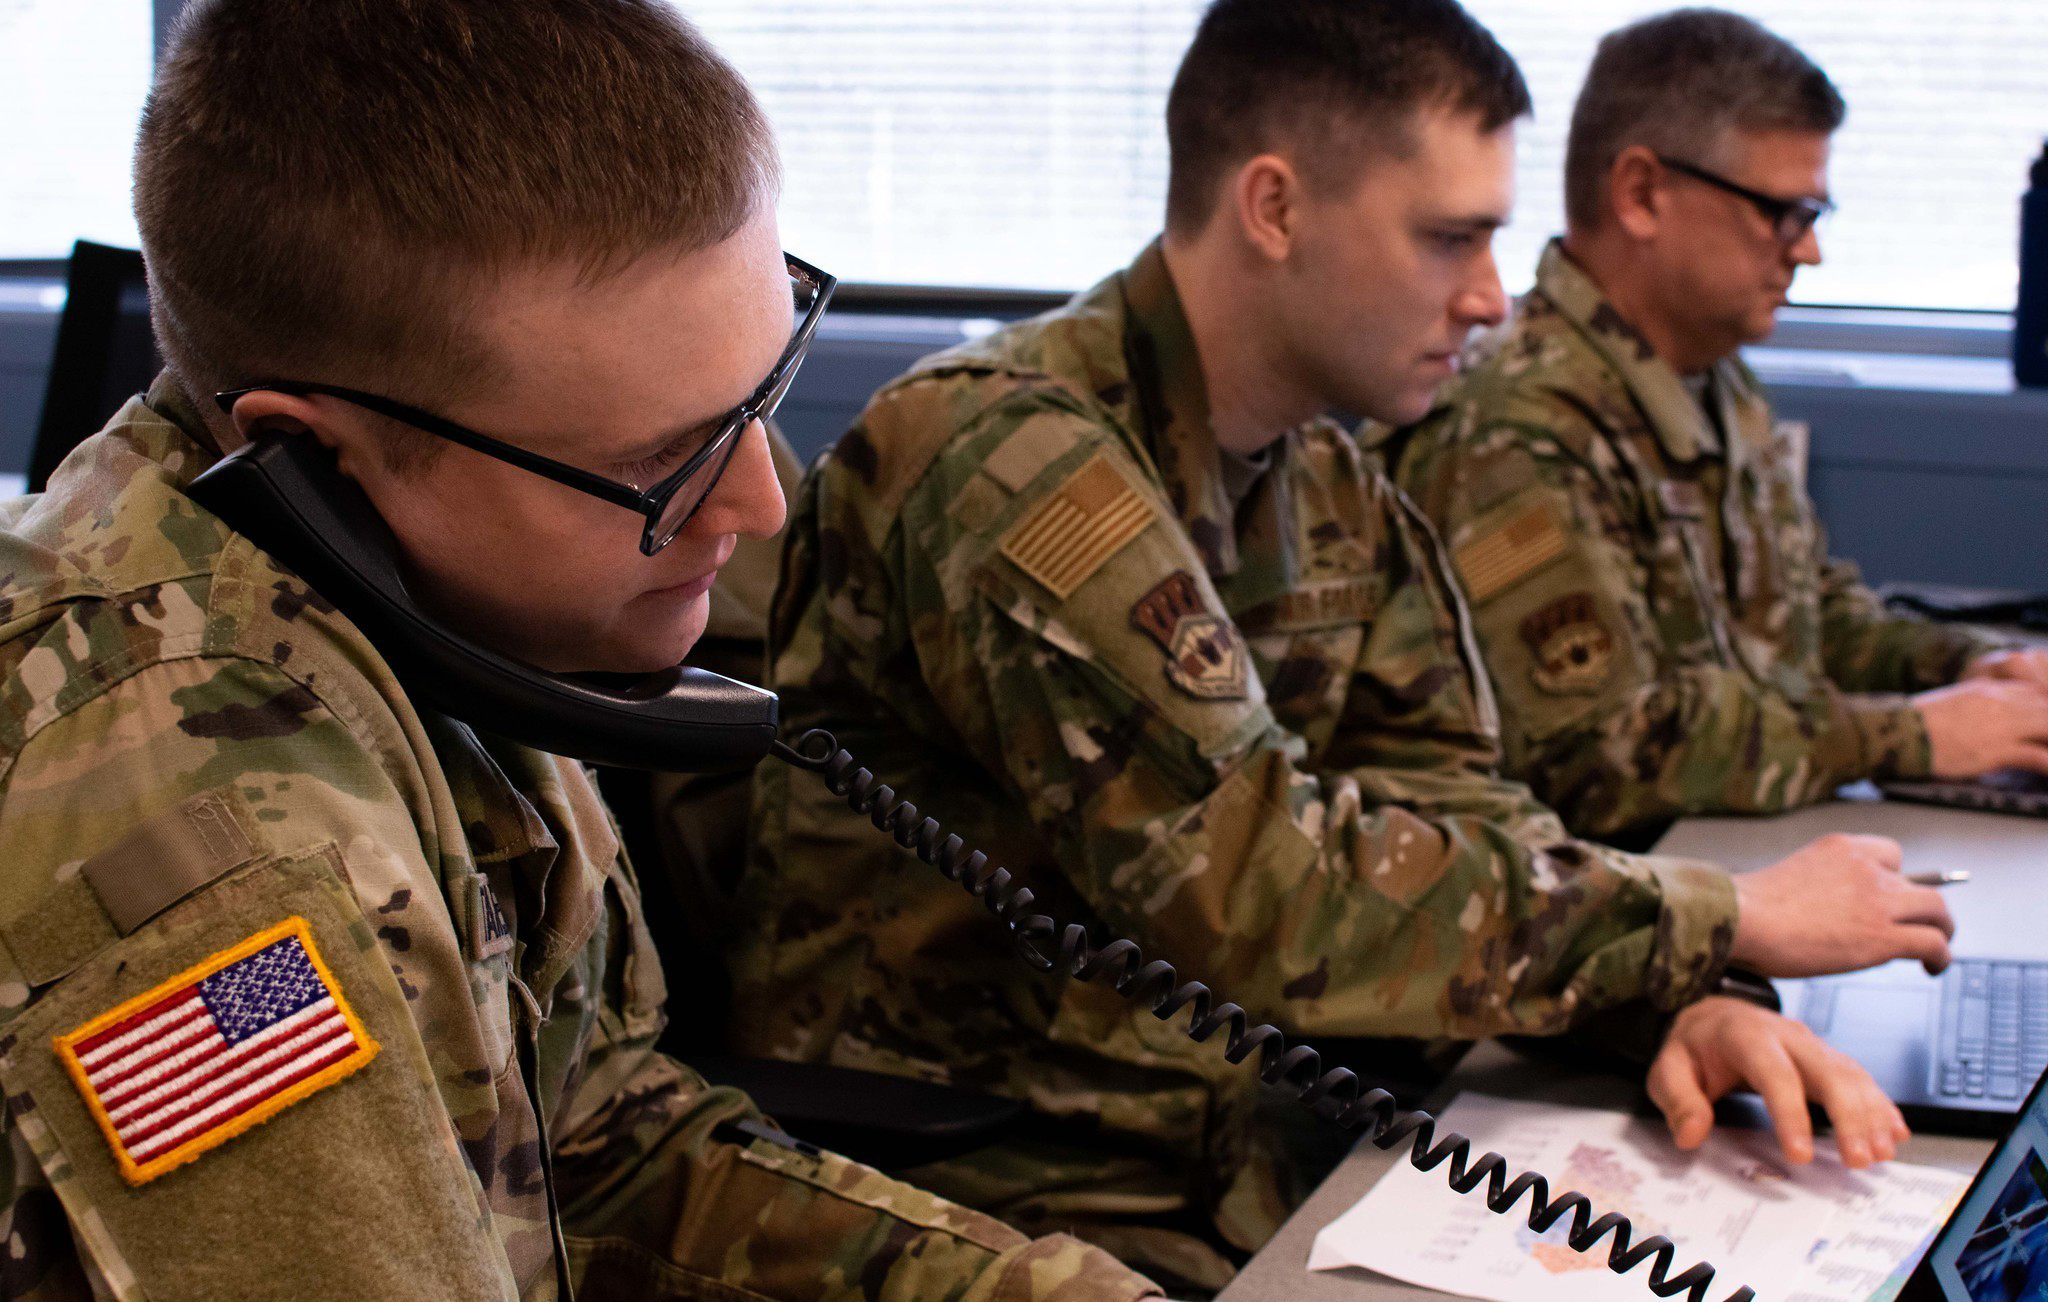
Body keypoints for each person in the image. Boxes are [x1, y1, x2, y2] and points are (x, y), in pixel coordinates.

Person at [730, 0, 1953, 1289]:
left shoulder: (1322, 474)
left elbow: (1454, 804)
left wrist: (1674, 1008)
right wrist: (1725, 916)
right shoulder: (1010, 461)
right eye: (1448, 238)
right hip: (1018, 1195)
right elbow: (1264, 889)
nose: (1490, 297)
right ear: (1273, 209)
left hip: (1262, 1138)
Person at [0, 2, 1162, 1298]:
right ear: (319, 458)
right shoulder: (196, 828)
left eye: (760, 397)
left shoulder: (437, 608)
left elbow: (591, 1146)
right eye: (661, 462)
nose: (759, 504)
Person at [1389, 8, 2048, 846]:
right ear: (1642, 195)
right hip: (1618, 886)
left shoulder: (1709, 377)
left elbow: (1806, 621)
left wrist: (1974, 669)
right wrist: (1912, 735)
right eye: (1784, 212)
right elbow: (1605, 754)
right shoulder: (1514, 424)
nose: (1807, 252)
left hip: (1728, 857)